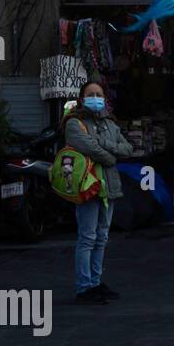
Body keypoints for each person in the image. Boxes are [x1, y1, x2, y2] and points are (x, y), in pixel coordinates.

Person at [63, 80, 133, 305]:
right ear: (82, 99)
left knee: (101, 237)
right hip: (87, 187)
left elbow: (128, 148)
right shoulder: (74, 123)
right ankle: (84, 287)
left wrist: (104, 144)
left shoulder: (110, 123)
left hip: (108, 188)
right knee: (87, 237)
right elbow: (88, 147)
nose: (95, 97)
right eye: (91, 94)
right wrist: (110, 155)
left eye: (99, 94)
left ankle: (95, 282)